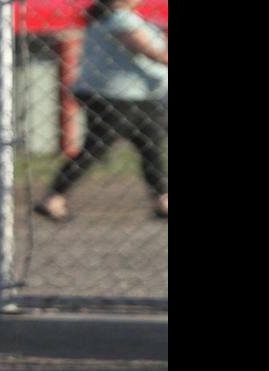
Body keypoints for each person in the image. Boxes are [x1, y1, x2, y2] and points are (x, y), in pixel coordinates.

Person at [35, 0, 168, 223]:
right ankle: (53, 197)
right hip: (116, 96)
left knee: (150, 146)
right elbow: (143, 48)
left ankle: (163, 199)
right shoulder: (119, 18)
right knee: (97, 146)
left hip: (140, 95)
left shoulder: (115, 17)